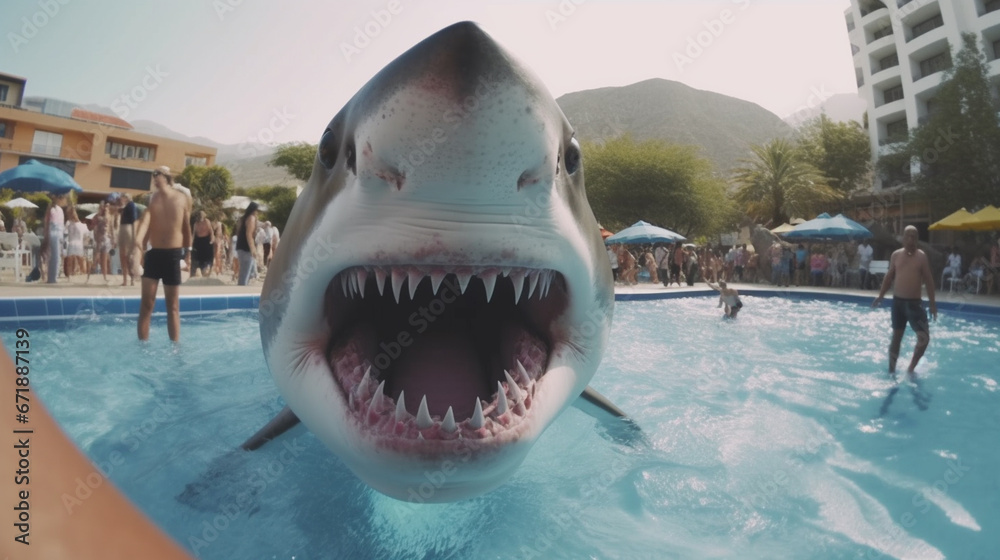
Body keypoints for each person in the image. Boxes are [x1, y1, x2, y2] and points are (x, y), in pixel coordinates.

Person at [872, 225, 937, 380]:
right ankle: (892, 371)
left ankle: (910, 368)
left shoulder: (921, 256)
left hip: (915, 304)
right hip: (898, 303)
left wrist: (933, 304)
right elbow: (889, 277)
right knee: (896, 337)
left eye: (914, 236)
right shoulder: (896, 255)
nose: (910, 239)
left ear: (917, 239)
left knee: (924, 338)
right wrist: (881, 296)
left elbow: (928, 281)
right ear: (902, 238)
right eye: (907, 236)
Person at [134, 166, 191, 342]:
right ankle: (142, 346)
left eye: (157, 175)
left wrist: (188, 253)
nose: (154, 178)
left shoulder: (182, 198)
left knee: (172, 306)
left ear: (167, 177)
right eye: (153, 175)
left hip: (173, 255)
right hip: (154, 254)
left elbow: (186, 228)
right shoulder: (153, 199)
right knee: (146, 305)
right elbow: (146, 224)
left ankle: (175, 348)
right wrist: (139, 249)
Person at [115, 192, 140, 286]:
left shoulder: (131, 205)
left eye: (122, 197)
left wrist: (134, 235)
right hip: (124, 229)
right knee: (124, 256)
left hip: (127, 229)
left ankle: (130, 277)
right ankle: (127, 279)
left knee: (127, 255)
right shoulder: (126, 207)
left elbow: (134, 220)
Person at [42, 193, 65, 284]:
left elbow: (61, 224)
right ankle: (51, 278)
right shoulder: (50, 208)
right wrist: (46, 235)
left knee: (57, 256)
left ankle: (53, 277)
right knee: (53, 256)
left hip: (59, 233)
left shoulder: (59, 210)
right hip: (53, 232)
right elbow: (46, 222)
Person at [235, 202, 259, 286]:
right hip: (246, 248)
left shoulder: (243, 218)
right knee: (245, 273)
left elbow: (238, 232)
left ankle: (242, 288)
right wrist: (253, 248)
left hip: (241, 246)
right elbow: (249, 234)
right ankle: (241, 291)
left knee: (249, 272)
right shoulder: (251, 218)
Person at [90, 201, 112, 283]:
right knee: (96, 259)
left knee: (104, 260)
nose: (105, 208)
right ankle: (89, 274)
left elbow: (109, 226)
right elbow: (93, 227)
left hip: (105, 239)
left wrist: (112, 238)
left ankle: (105, 277)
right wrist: (96, 237)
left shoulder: (107, 216)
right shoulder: (97, 216)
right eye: (104, 206)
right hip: (100, 239)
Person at [190, 210, 215, 277]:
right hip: (198, 241)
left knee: (207, 257)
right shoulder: (196, 223)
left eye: (201, 215)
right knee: (196, 257)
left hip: (206, 241)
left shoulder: (206, 221)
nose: (200, 217)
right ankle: (195, 271)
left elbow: (211, 231)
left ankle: (206, 270)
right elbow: (194, 234)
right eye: (199, 215)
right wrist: (191, 243)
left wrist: (212, 239)